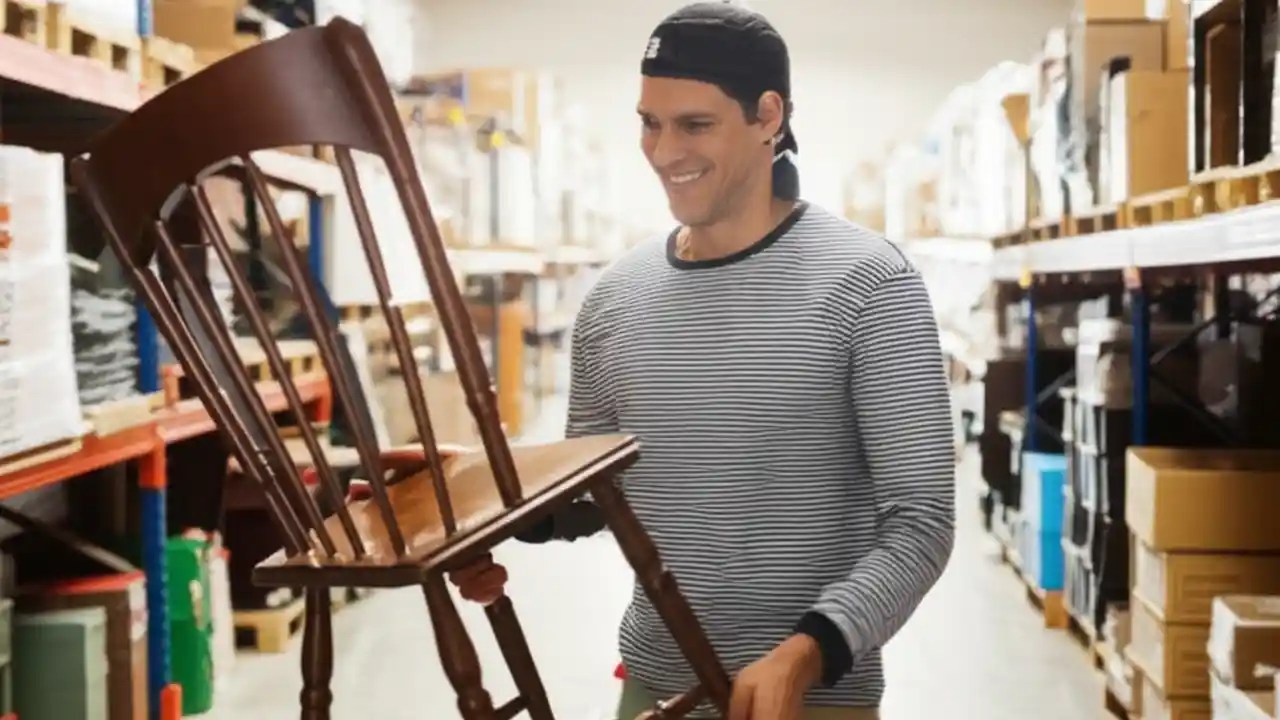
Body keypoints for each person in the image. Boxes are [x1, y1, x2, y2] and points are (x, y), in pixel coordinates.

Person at [450, 2, 956, 718]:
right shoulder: (613, 301)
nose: (663, 153)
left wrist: (805, 652)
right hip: (655, 689)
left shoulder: (870, 284)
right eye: (649, 124)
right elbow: (594, 494)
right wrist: (470, 502)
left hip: (810, 700)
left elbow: (921, 522)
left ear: (768, 116)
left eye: (694, 124)